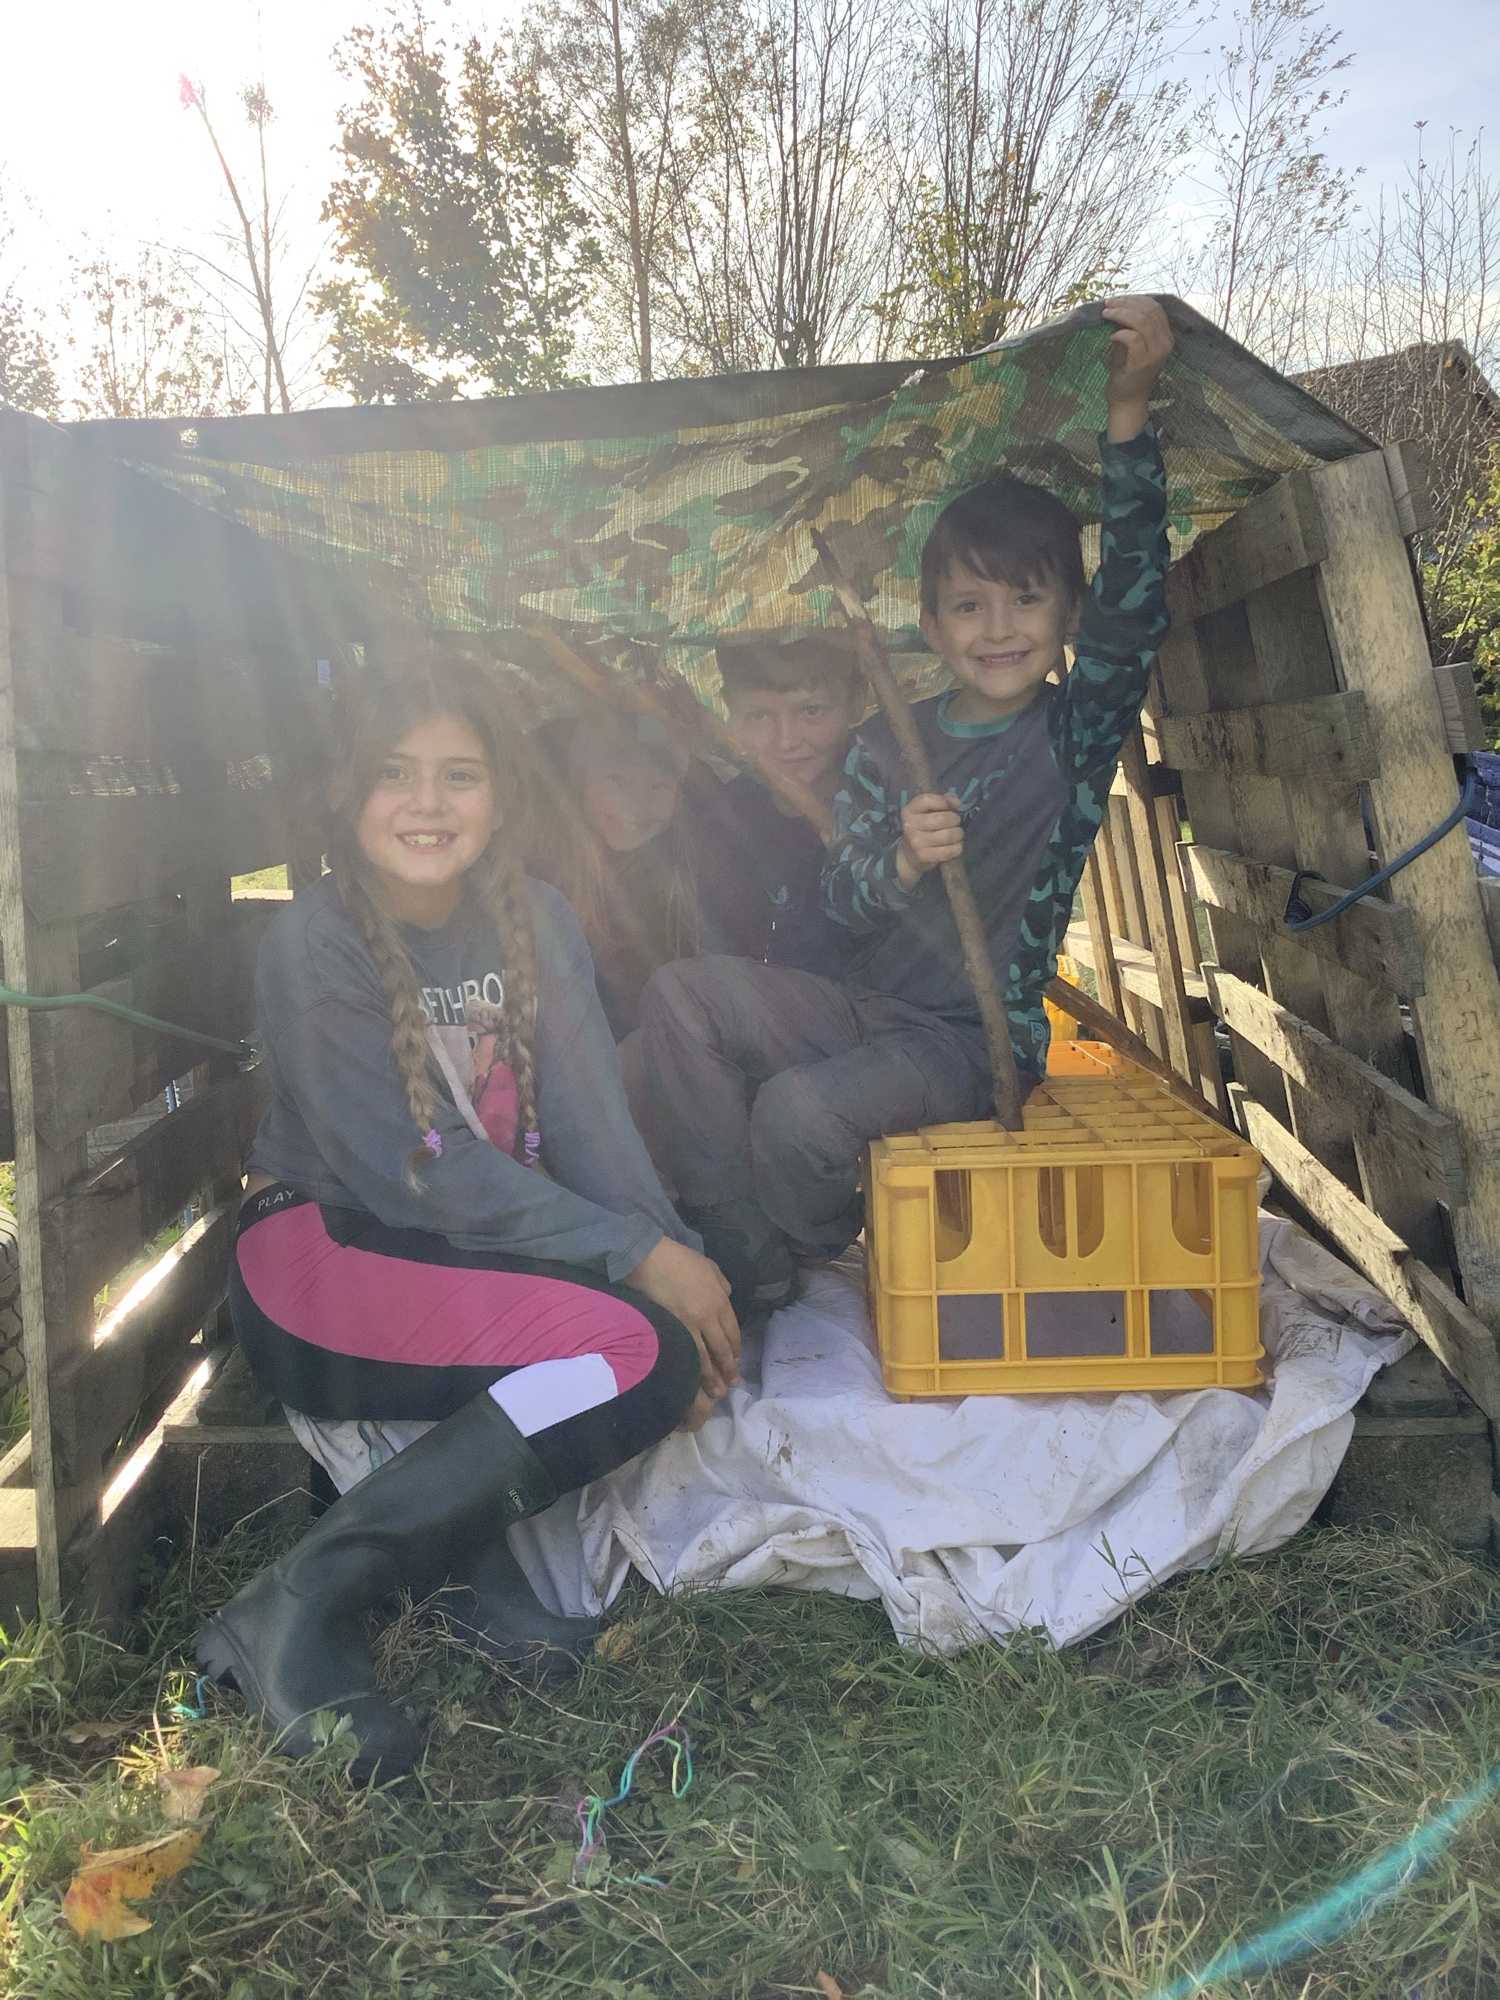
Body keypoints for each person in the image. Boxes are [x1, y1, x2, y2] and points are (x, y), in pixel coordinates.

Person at [195, 659, 740, 1782]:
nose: (429, 803)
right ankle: (295, 1605)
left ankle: (473, 1593)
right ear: (348, 791)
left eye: (459, 774)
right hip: (322, 1261)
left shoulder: (535, 920)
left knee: (655, 1332)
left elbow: (593, 1128)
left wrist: (671, 1258)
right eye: (394, 774)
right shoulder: (315, 942)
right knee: (630, 1345)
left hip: (454, 1255)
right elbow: (415, 1175)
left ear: (502, 795)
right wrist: (636, 1263)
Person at [639, 296, 1174, 1312]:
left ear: (1067, 613)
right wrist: (899, 863)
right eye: (969, 605)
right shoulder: (891, 735)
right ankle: (741, 1251)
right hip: (861, 1004)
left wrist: (1130, 421)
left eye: (1027, 600)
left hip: (973, 1036)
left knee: (797, 1118)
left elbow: (1138, 607)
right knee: (683, 996)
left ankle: (809, 1238)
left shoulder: (1069, 734)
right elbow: (841, 897)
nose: (999, 627)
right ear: (929, 622)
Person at [687, 634, 866, 979]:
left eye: (811, 710)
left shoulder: (893, 797)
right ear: (730, 709)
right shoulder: (724, 818)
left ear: (857, 699)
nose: (786, 741)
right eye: (758, 715)